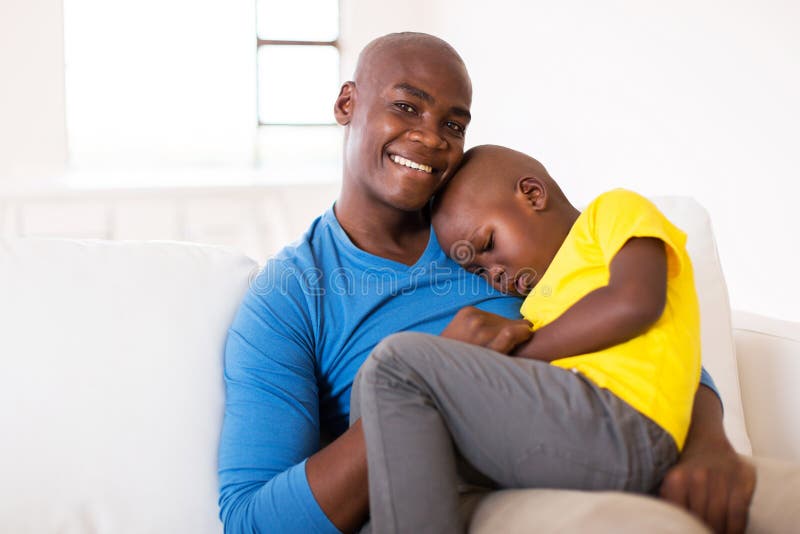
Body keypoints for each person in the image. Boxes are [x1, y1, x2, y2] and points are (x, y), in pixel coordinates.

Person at [218, 32, 755, 534]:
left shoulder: (503, 237)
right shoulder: (290, 296)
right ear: (346, 104)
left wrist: (709, 445)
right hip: (466, 501)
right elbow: (249, 518)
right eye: (406, 106)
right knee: (390, 371)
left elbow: (641, 333)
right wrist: (430, 380)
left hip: (616, 451)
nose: (431, 137)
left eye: (454, 125)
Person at [350, 144, 701, 533]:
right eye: (479, 271)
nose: (494, 274)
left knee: (396, 362)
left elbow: (635, 301)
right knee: (369, 387)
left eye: (488, 246)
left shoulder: (612, 211)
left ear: (532, 195)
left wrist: (513, 356)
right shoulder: (537, 303)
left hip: (624, 423)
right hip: (567, 431)